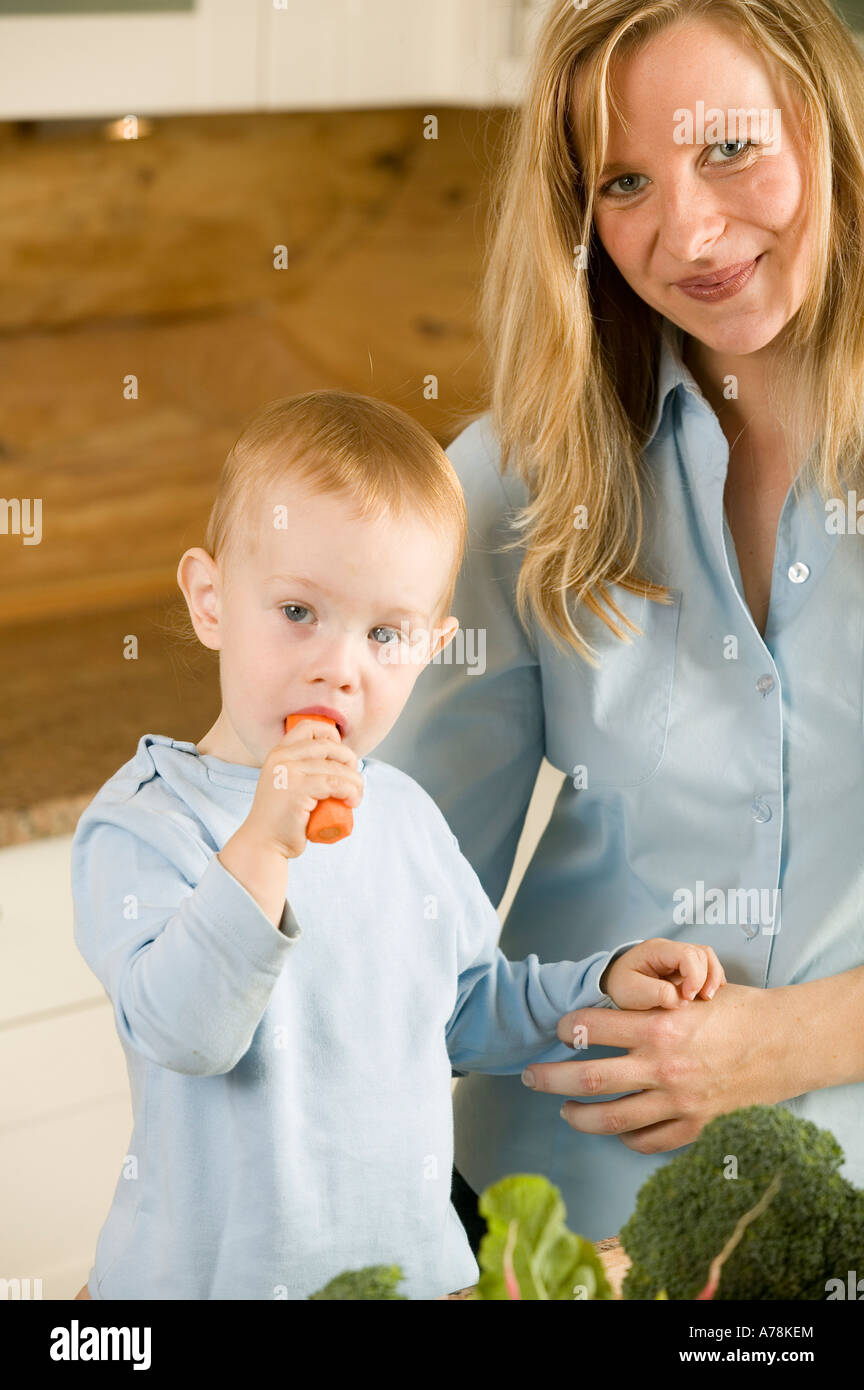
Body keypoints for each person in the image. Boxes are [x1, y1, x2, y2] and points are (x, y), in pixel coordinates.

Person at [374, 0, 864, 1248]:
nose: (688, 230)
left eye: (730, 150)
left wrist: (788, 1041)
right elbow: (392, 912)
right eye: (626, 179)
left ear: (827, 125)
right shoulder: (514, 484)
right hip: (560, 1224)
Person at [70, 389, 725, 1301]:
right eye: (299, 612)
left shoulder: (406, 815)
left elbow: (461, 1014)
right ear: (211, 599)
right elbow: (187, 1035)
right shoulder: (146, 820)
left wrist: (599, 984)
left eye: (385, 634)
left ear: (430, 649)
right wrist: (265, 839)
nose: (341, 666)